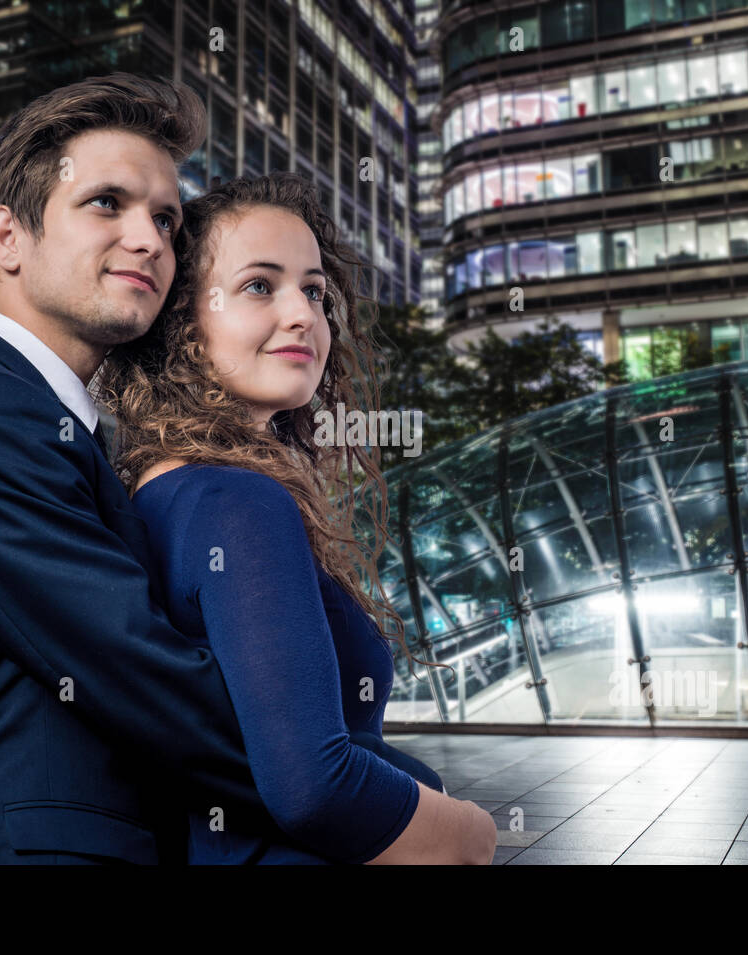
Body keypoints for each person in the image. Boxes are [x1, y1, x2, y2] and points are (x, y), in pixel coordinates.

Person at [0, 72, 492, 865]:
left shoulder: (83, 438)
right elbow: (150, 679)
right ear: (7, 237)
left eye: (164, 217)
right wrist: (405, 801)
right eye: (106, 203)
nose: (150, 237)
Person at [94, 172, 496, 864]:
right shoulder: (238, 503)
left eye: (313, 290)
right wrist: (471, 833)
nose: (304, 314)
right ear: (183, 318)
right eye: (260, 285)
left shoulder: (161, 492)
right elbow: (314, 784)